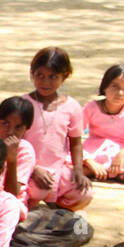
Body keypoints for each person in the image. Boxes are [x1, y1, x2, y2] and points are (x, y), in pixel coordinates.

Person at [21, 46, 91, 211]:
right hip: (28, 170)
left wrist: (78, 171)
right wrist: (34, 168)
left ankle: (59, 208)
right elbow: (15, 141)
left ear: (64, 76)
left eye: (53, 77)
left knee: (85, 193)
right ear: (32, 74)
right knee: (28, 195)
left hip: (57, 170)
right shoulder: (23, 104)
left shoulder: (71, 106)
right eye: (40, 76)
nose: (45, 82)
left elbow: (75, 142)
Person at [82, 63, 124, 183]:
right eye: (114, 87)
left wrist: (123, 154)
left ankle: (105, 171)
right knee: (68, 163)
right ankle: (109, 172)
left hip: (122, 152)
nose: (120, 93)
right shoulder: (91, 108)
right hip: (94, 151)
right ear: (105, 87)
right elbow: (73, 136)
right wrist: (88, 161)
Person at [0, 96, 36, 204]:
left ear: (26, 129)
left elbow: (11, 194)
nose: (10, 132)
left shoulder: (24, 151)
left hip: (9, 205)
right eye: (5, 123)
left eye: (18, 127)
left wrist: (12, 160)